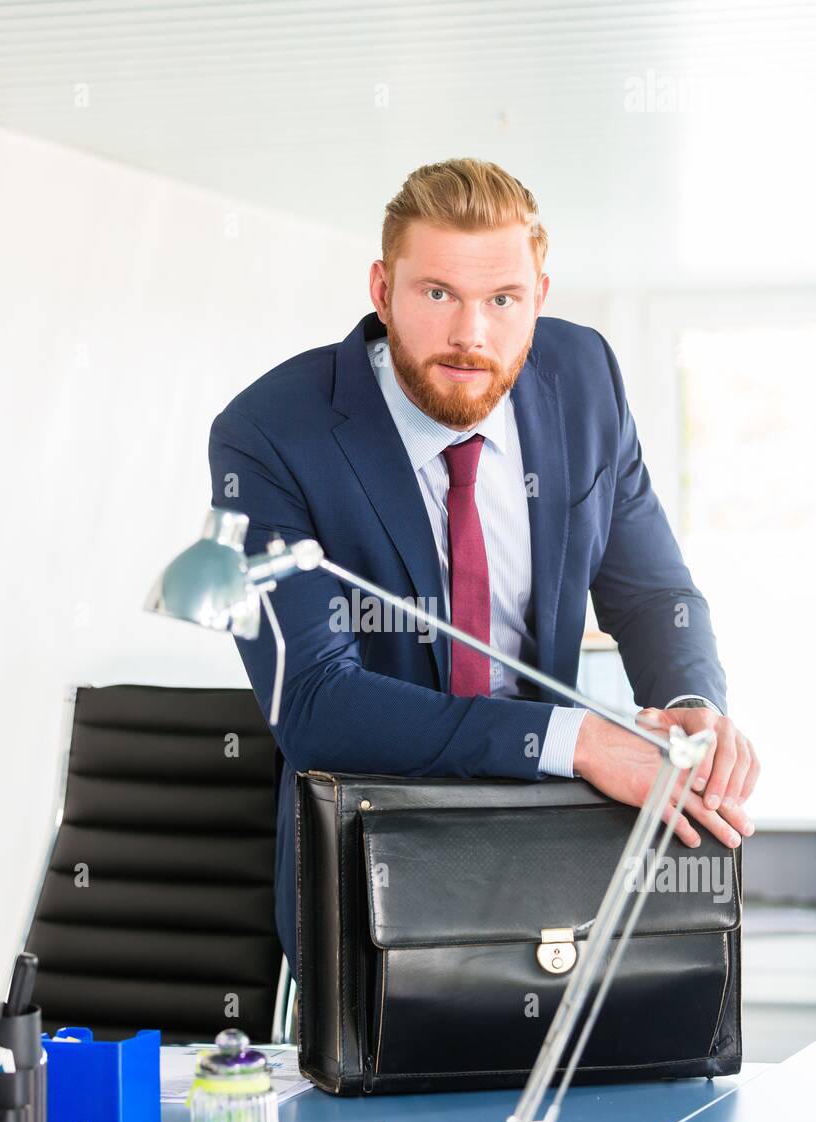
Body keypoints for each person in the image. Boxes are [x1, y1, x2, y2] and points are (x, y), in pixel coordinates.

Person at [209, 157, 758, 978]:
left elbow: (651, 593)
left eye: (503, 300)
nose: (472, 335)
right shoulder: (271, 432)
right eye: (438, 294)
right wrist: (578, 740)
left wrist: (689, 701)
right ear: (380, 287)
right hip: (369, 868)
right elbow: (318, 703)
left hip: (550, 860)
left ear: (539, 292)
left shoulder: (584, 380)